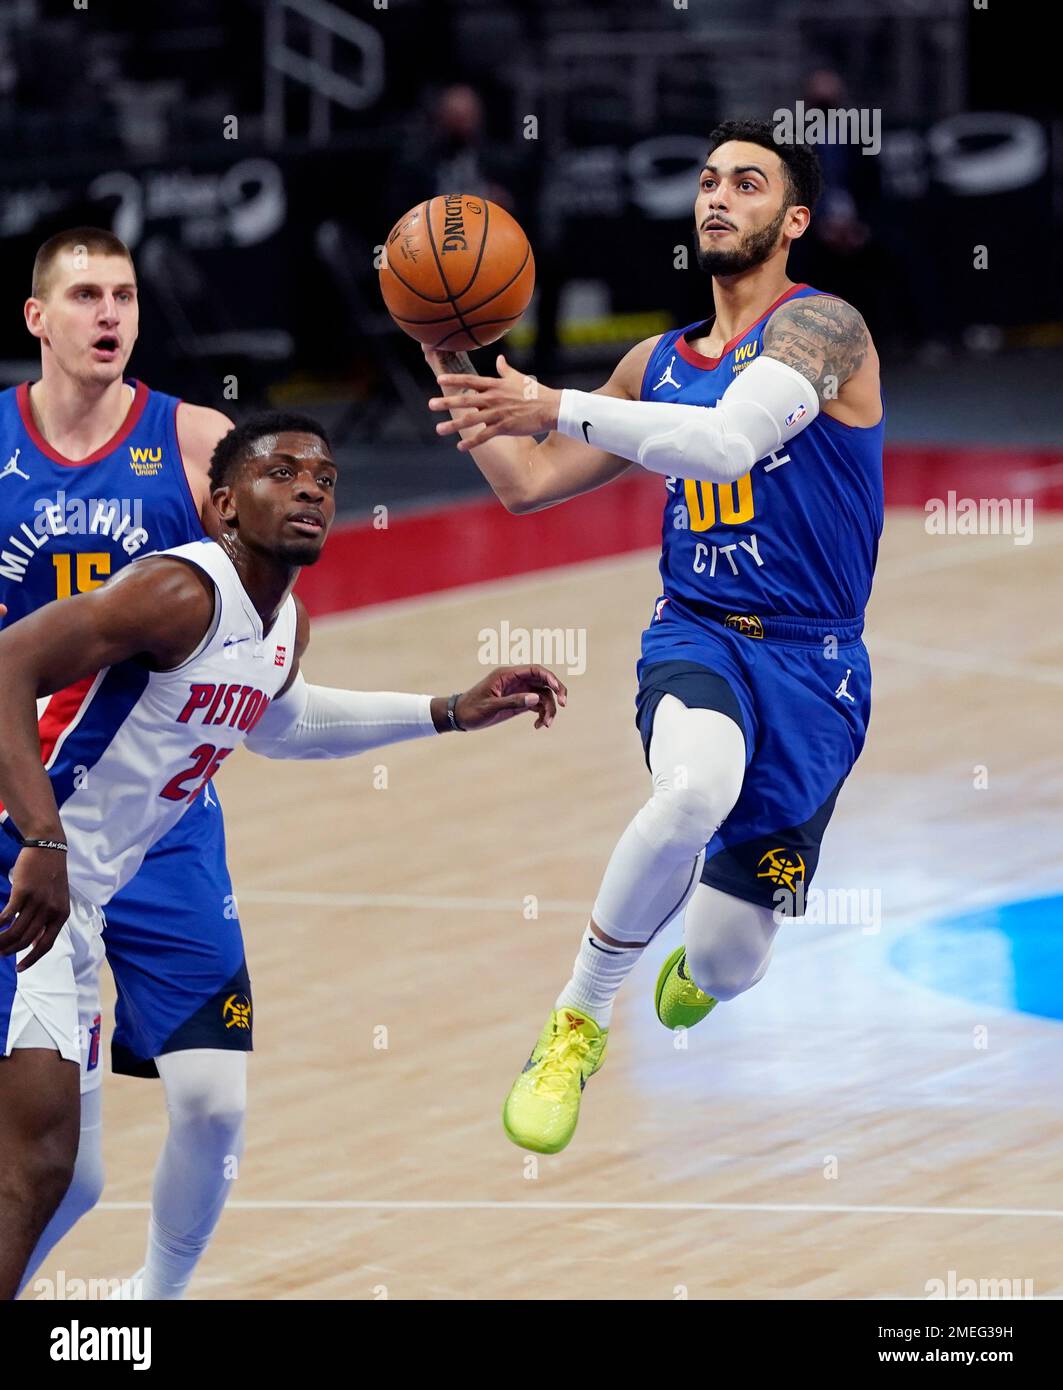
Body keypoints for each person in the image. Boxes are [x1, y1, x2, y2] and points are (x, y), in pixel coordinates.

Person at [0, 411, 565, 1299]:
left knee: (65, 1177)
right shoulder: (179, 593)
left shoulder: (282, 626)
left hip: (82, 894)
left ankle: (148, 1304)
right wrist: (38, 836)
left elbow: (289, 723)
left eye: (327, 478)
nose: (310, 488)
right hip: (18, 867)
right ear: (223, 504)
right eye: (283, 472)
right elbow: (5, 665)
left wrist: (450, 709)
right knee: (37, 1164)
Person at [425, 118, 884, 1154]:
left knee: (727, 964)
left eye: (749, 184)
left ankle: (698, 965)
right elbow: (530, 485)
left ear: (793, 219)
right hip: (700, 633)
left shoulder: (826, 333)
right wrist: (445, 348)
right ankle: (578, 1017)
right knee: (688, 790)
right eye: (710, 180)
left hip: (815, 667)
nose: (720, 196)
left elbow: (722, 447)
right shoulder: (654, 362)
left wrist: (552, 399)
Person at [0, 224, 253, 1298]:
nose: (111, 315)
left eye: (127, 296)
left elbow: (260, 626)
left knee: (211, 1105)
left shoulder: (199, 444)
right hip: (29, 824)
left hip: (163, 826)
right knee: (67, 1168)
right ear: (38, 319)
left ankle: (151, 1308)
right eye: (88, 295)